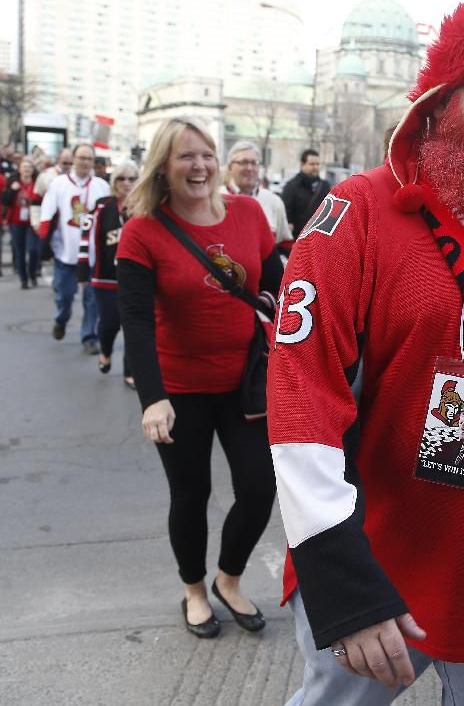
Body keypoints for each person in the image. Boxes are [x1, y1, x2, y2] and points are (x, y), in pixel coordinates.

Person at [269, 0, 464, 705]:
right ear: (443, 99)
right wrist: (341, 576)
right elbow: (301, 392)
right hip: (379, 564)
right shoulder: (359, 212)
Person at [116, 117, 282, 639]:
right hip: (180, 389)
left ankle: (227, 580)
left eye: (208, 154)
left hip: (245, 383)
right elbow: (137, 322)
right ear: (163, 167)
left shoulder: (250, 212)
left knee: (259, 488)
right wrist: (152, 398)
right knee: (190, 494)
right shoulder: (142, 232)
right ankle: (193, 590)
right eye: (186, 156)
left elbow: (277, 285)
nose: (201, 165)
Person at [38, 143, 111, 351]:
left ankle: (89, 337)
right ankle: (61, 319)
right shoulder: (59, 184)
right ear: (74, 159)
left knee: (92, 299)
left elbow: (108, 218)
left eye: (89, 158)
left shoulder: (101, 187)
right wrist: (44, 240)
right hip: (66, 253)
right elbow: (48, 212)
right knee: (65, 295)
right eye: (81, 157)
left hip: (92, 255)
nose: (85, 162)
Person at [84, 161, 138, 385]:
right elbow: (87, 236)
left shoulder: (144, 207)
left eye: (131, 178)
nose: (126, 183)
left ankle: (130, 371)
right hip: (105, 276)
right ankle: (105, 351)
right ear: (114, 182)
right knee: (110, 324)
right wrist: (83, 269)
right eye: (121, 178)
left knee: (133, 327)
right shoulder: (102, 206)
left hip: (135, 277)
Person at [223, 141, 294, 255]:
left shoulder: (274, 202)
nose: (250, 168)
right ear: (230, 167)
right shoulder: (216, 199)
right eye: (244, 162)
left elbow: (284, 245)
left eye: (254, 163)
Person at [2, 157, 42, 289]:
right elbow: (5, 201)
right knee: (20, 251)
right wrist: (13, 190)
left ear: (32, 170)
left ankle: (32, 273)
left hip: (33, 222)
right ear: (19, 170)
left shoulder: (37, 184)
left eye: (29, 167)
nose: (26, 169)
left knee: (33, 249)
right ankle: (23, 279)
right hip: (16, 222)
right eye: (24, 167)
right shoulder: (13, 182)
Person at [281, 148, 330, 239]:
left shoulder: (325, 186)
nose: (315, 167)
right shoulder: (291, 186)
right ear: (302, 165)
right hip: (297, 239)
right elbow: (285, 214)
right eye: (312, 164)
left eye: (317, 164)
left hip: (319, 239)